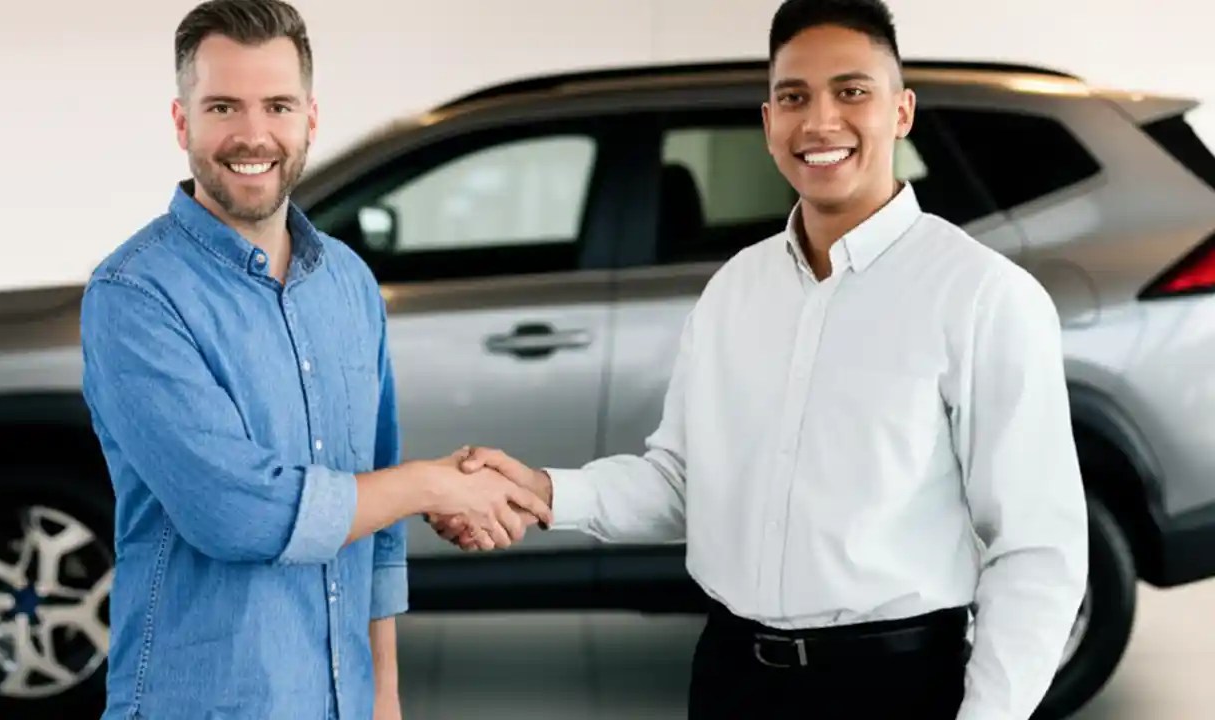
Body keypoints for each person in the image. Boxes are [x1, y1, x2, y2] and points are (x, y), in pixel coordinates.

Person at [433, 0, 1089, 717]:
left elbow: (1035, 550)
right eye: (793, 97)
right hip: (732, 678)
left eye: (852, 91)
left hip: (894, 689)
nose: (820, 122)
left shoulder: (983, 296)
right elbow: (682, 483)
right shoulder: (735, 290)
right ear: (769, 121)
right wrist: (541, 491)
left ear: (901, 112)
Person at [79, 1, 551, 718]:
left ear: (311, 118)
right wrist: (432, 485)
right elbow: (238, 513)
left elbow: (378, 528)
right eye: (223, 107)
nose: (253, 134)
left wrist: (384, 699)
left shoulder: (351, 284)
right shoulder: (135, 295)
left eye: (277, 105)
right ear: (183, 123)